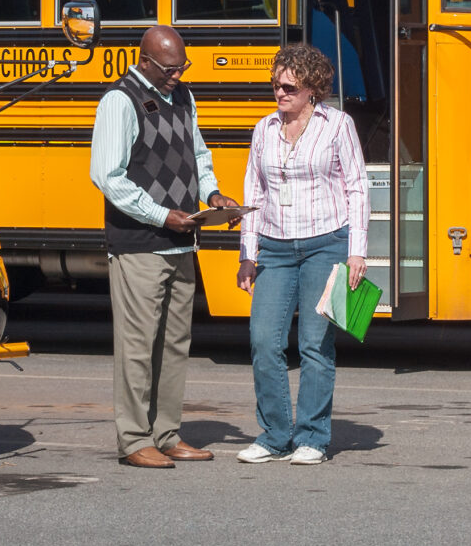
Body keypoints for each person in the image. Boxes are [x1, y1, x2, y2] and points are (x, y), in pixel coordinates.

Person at [89, 24, 241, 468]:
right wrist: (162, 215)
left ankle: (167, 433)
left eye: (182, 66)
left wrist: (212, 196)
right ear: (146, 61)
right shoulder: (120, 101)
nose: (177, 74)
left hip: (181, 243)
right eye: (170, 68)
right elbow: (108, 177)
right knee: (137, 345)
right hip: (139, 244)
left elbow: (198, 156)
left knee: (175, 343)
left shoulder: (184, 97)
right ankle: (135, 440)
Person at [234, 43, 368, 466]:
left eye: (288, 85)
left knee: (314, 343)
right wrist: (248, 254)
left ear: (312, 88)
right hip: (274, 245)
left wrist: (357, 252)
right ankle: (274, 434)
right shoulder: (264, 129)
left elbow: (357, 188)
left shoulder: (338, 125)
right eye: (275, 84)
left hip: (326, 243)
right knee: (263, 341)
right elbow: (252, 192)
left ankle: (312, 437)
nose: (279, 93)